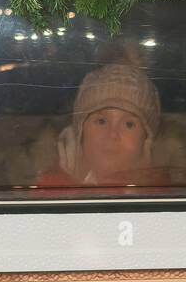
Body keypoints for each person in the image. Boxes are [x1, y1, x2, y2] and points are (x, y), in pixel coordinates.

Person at [35, 61, 172, 189]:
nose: (112, 134)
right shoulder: (52, 190)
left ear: (146, 139)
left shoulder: (170, 195)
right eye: (101, 121)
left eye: (129, 124)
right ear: (80, 131)